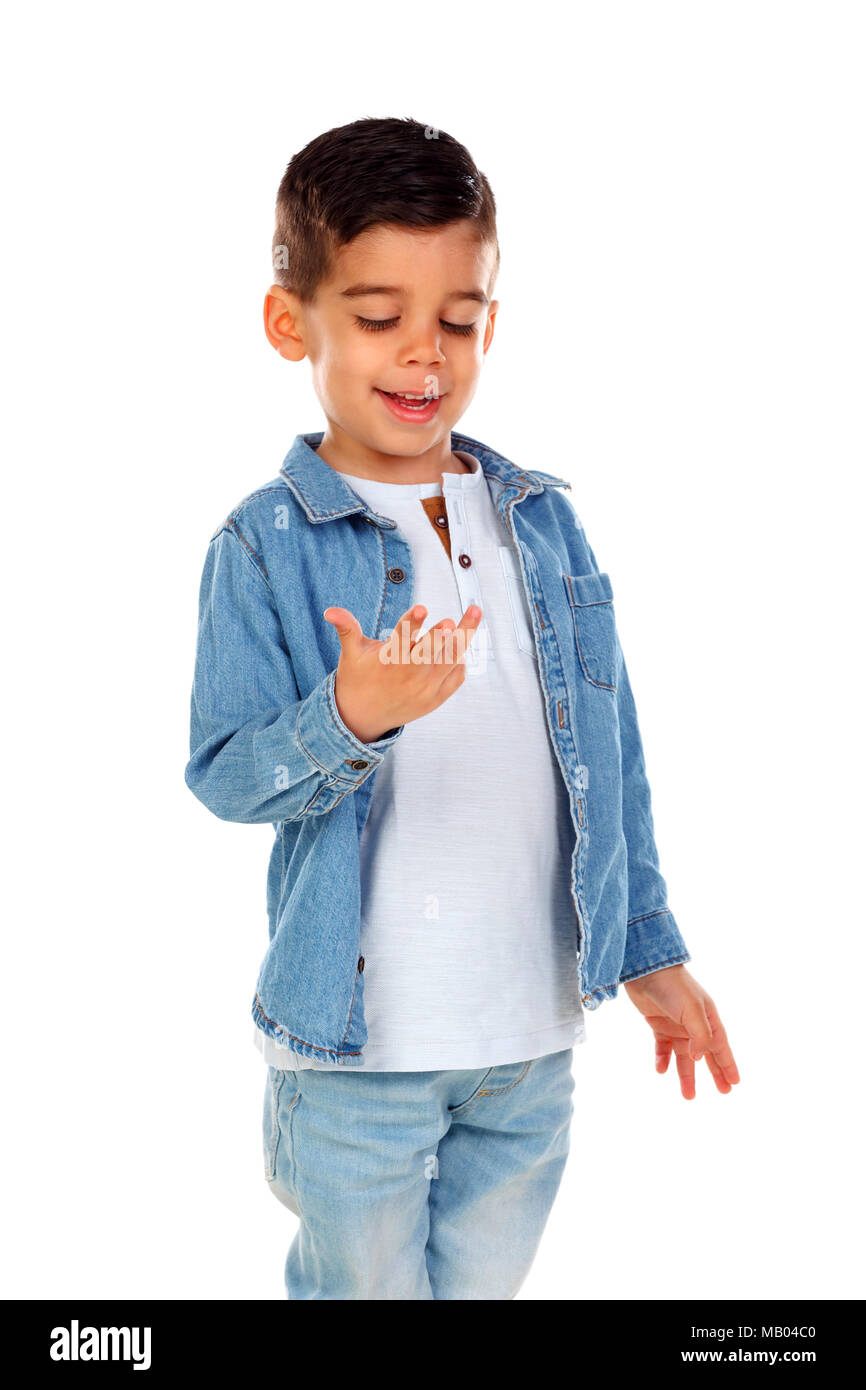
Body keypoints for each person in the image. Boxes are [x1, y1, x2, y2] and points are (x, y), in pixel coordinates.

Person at [185, 116, 739, 1301]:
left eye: (459, 319)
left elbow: (609, 747)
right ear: (294, 323)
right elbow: (224, 769)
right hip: (358, 1054)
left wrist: (649, 947)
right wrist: (351, 713)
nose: (422, 354)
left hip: (527, 1039)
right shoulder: (263, 544)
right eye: (380, 318)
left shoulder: (540, 518)